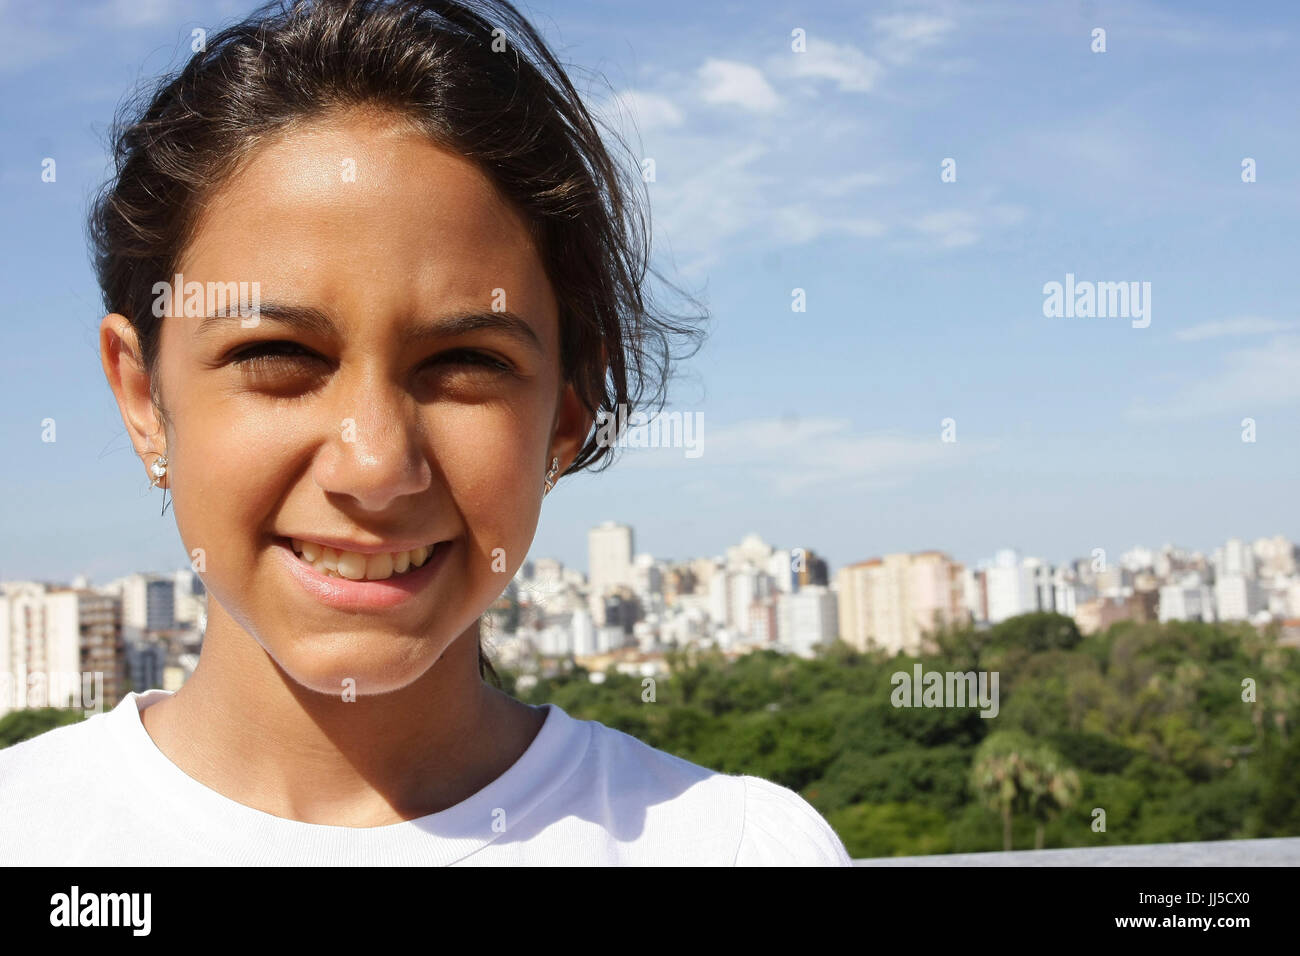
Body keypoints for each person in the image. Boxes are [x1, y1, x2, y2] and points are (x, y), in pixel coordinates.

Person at [0, 0, 851, 866]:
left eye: (466, 362)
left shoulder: (730, 847)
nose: (375, 464)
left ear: (566, 414)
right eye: (278, 354)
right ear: (144, 398)